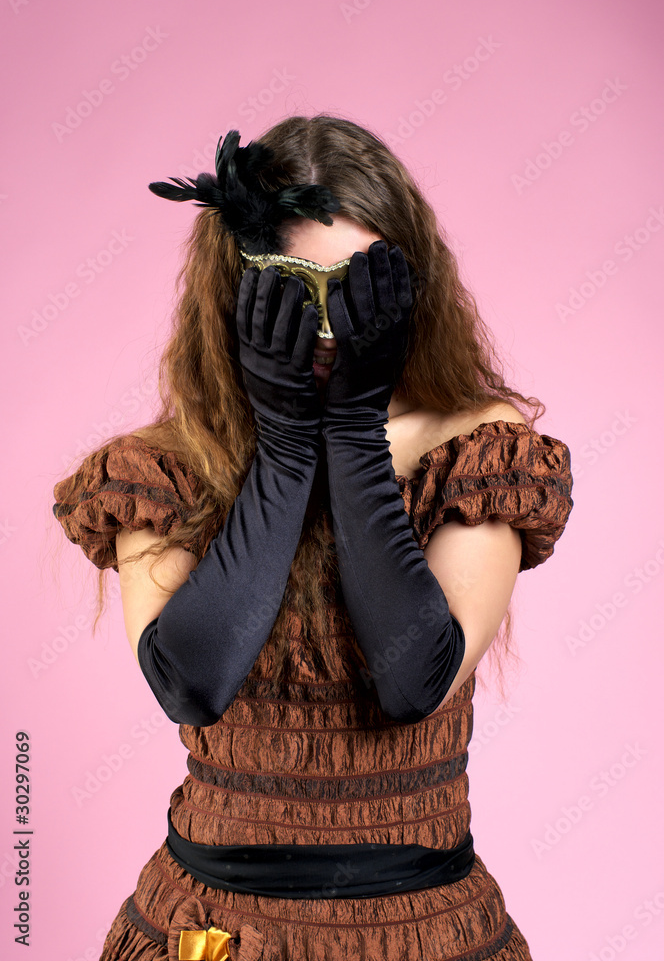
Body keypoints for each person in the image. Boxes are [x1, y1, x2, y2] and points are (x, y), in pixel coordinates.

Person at [52, 115, 574, 961]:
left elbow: (415, 679)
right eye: (299, 288)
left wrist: (354, 436)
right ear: (240, 288)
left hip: (419, 933)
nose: (331, 329)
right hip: (210, 930)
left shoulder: (479, 451)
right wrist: (288, 449)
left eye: (360, 288)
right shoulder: (163, 468)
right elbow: (190, 681)